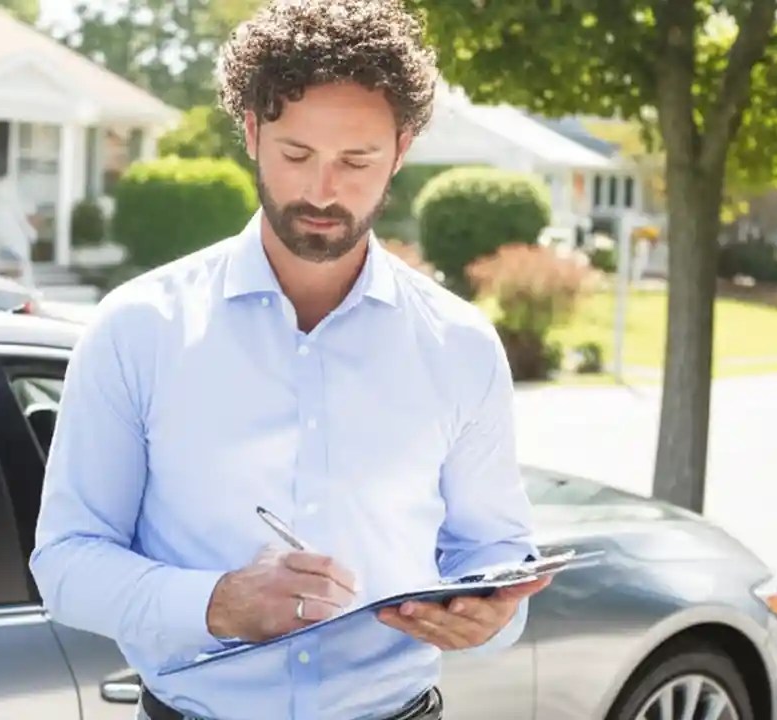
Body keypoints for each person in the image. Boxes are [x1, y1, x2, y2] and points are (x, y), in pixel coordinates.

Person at [28, 1, 550, 718]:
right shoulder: (137, 329)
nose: (322, 191)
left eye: (356, 161)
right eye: (296, 155)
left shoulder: (459, 346)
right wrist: (219, 602)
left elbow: (495, 551)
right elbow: (66, 566)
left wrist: (491, 617)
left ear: (401, 149)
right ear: (251, 132)